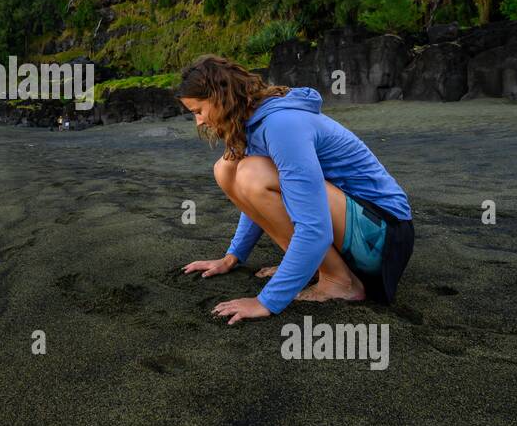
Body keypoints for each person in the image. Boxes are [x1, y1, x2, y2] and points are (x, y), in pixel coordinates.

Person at [175, 54, 415, 324]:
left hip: (384, 236)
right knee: (227, 168)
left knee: (250, 172)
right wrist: (232, 257)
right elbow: (257, 202)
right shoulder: (252, 124)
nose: (199, 121)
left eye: (198, 111)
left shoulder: (281, 124)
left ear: (221, 97)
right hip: (353, 229)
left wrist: (267, 301)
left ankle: (339, 280)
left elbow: (314, 227)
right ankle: (315, 267)